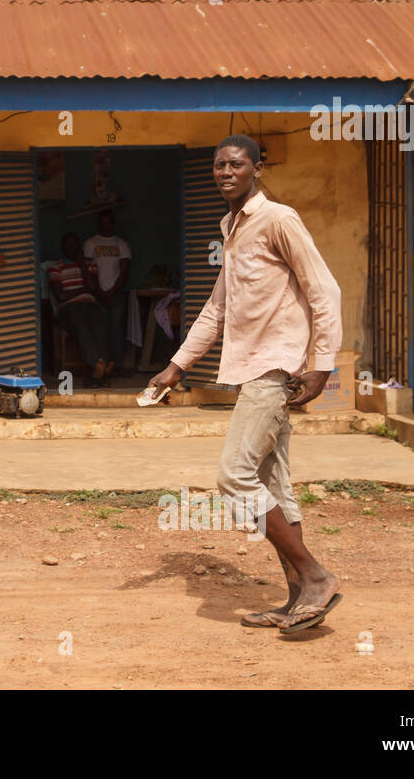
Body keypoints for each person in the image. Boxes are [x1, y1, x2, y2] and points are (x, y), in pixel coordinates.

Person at [149, 135, 343, 634]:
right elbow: (218, 308)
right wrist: (177, 365)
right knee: (274, 483)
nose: (225, 172)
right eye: (218, 166)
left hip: (275, 369)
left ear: (256, 169)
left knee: (234, 476)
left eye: (236, 164)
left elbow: (324, 290)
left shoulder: (279, 219)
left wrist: (322, 364)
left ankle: (315, 576)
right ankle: (300, 597)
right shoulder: (232, 228)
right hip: (252, 367)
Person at [47, 232, 111, 386]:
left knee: (101, 319)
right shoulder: (55, 268)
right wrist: (83, 291)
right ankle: (97, 364)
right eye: (68, 246)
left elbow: (93, 287)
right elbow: (61, 296)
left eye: (75, 245)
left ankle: (103, 364)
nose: (72, 248)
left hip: (90, 306)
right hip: (68, 309)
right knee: (81, 322)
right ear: (62, 248)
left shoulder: (89, 264)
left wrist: (81, 263)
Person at [84, 209, 132, 379]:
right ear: (99, 223)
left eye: (109, 221)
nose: (107, 225)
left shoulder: (121, 244)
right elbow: (89, 272)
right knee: (100, 329)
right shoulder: (90, 244)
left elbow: (124, 272)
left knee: (117, 329)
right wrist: (100, 293)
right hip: (97, 294)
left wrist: (111, 293)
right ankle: (102, 364)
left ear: (113, 223)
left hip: (116, 294)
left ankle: (116, 365)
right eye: (103, 222)